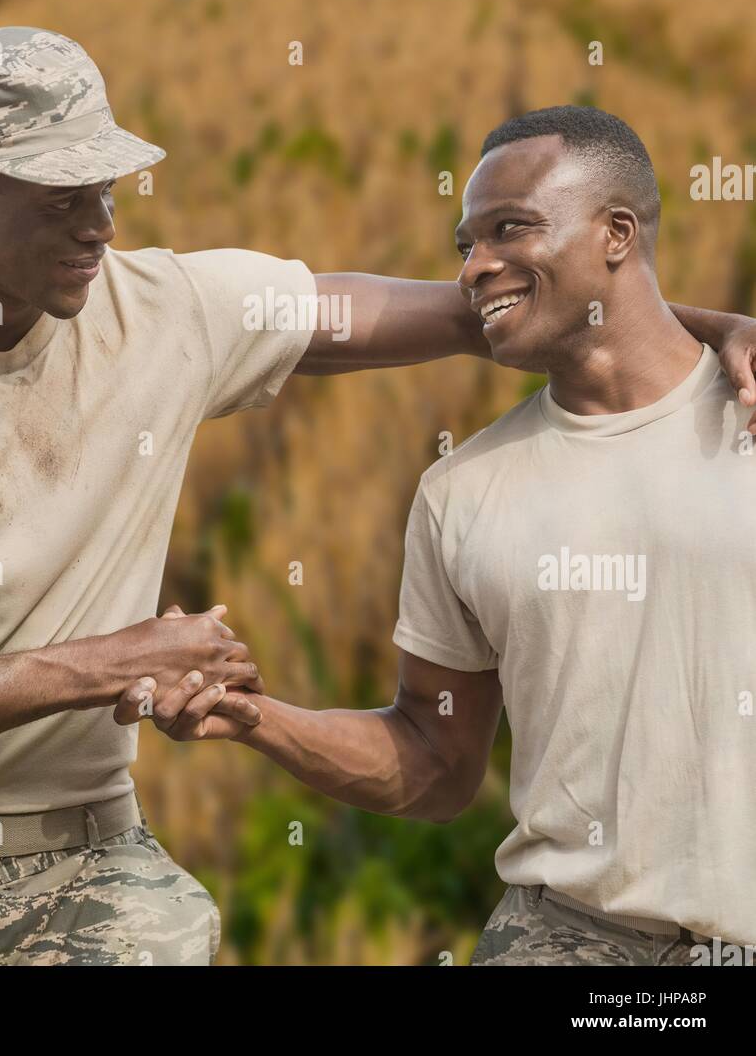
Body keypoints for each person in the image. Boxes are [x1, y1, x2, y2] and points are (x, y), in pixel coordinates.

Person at [150, 105, 756, 966]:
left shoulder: (750, 411)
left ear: (617, 233)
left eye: (510, 229)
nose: (475, 269)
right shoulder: (460, 492)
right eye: (464, 244)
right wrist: (257, 718)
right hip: (570, 940)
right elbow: (435, 760)